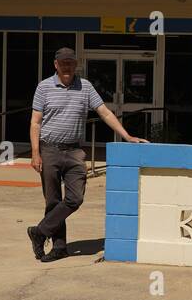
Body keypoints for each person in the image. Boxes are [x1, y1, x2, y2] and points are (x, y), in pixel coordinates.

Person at [26, 47, 148, 263]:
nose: (67, 66)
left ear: (75, 65)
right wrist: (35, 153)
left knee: (75, 198)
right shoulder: (44, 87)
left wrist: (127, 136)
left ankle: (39, 231)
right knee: (53, 202)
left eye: (70, 63)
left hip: (74, 151)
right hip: (50, 149)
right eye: (63, 62)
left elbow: (104, 112)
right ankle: (59, 247)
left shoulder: (86, 86)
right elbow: (35, 122)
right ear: (56, 64)